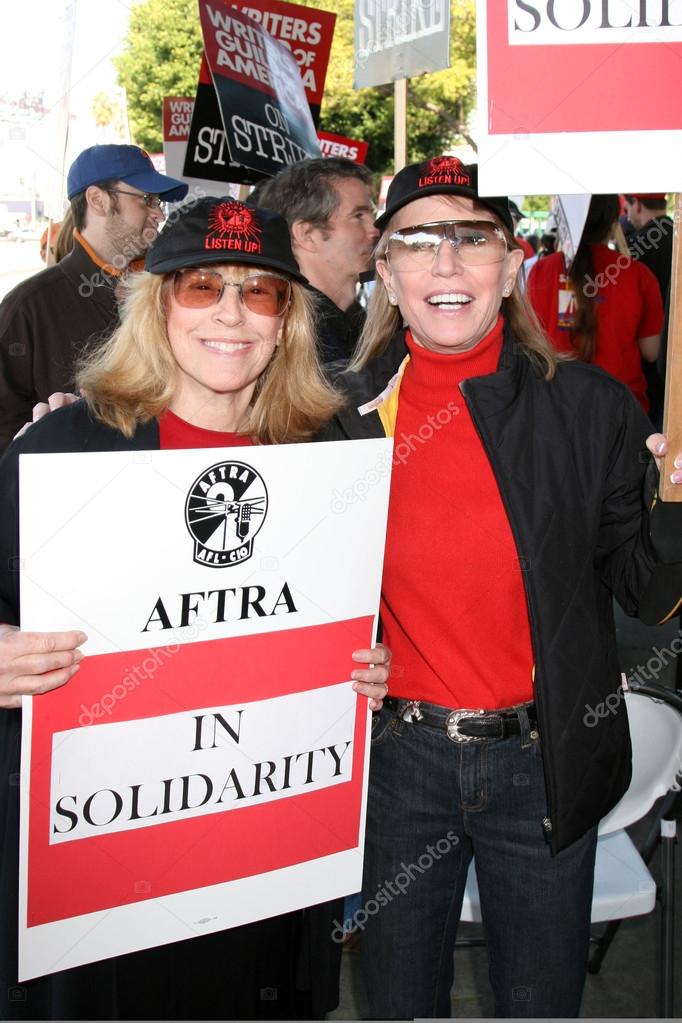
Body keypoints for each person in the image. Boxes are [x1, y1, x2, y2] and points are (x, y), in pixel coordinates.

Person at [0, 198, 390, 1021]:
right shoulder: (66, 451)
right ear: (156, 303)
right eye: (201, 285)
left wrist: (367, 664)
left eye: (261, 292)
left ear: (286, 319)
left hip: (262, 870)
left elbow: (349, 617)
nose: (231, 313)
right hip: (109, 892)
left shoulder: (328, 455)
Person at [324, 156, 682, 1018]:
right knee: (401, 1000)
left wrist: (677, 500)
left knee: (539, 1003)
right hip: (394, 767)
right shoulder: (329, 417)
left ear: (511, 260)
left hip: (545, 763)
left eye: (472, 239)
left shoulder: (591, 408)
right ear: (386, 268)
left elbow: (648, 590)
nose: (445, 265)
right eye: (417, 241)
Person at [0, 145, 189, 451]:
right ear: (97, 200)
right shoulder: (29, 307)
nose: (158, 213)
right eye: (147, 199)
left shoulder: (170, 293)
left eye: (159, 202)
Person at [527, 194, 662, 414]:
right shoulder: (639, 275)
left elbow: (530, 340)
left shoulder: (542, 270)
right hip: (622, 409)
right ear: (613, 223)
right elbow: (652, 351)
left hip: (555, 407)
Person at [249, 158, 379, 364]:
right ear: (307, 234)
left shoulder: (362, 323)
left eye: (371, 215)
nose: (374, 229)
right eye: (358, 216)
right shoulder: (287, 337)